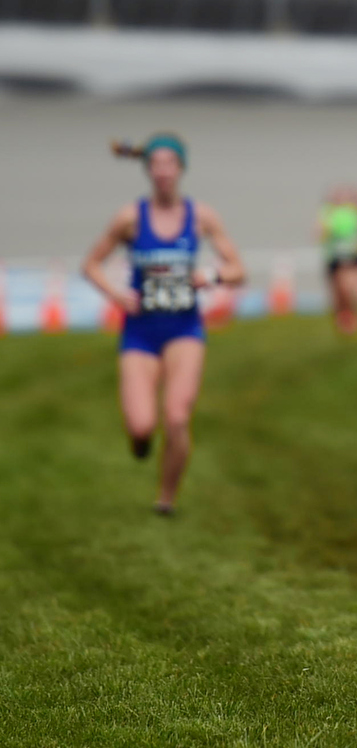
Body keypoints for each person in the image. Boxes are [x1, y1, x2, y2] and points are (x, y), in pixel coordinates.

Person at [82, 133, 245, 516]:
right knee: (141, 427)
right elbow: (91, 264)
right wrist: (116, 294)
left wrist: (212, 275)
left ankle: (165, 499)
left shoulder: (201, 216)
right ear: (148, 171)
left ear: (181, 169)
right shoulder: (129, 218)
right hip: (140, 332)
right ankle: (140, 441)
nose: (164, 172)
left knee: (176, 415)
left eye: (171, 164)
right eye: (156, 164)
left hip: (184, 330)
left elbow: (238, 270)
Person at [318, 184, 357, 335]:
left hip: (354, 256)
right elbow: (319, 233)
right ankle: (344, 319)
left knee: (353, 289)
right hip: (336, 257)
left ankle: (351, 318)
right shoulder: (328, 213)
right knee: (339, 291)